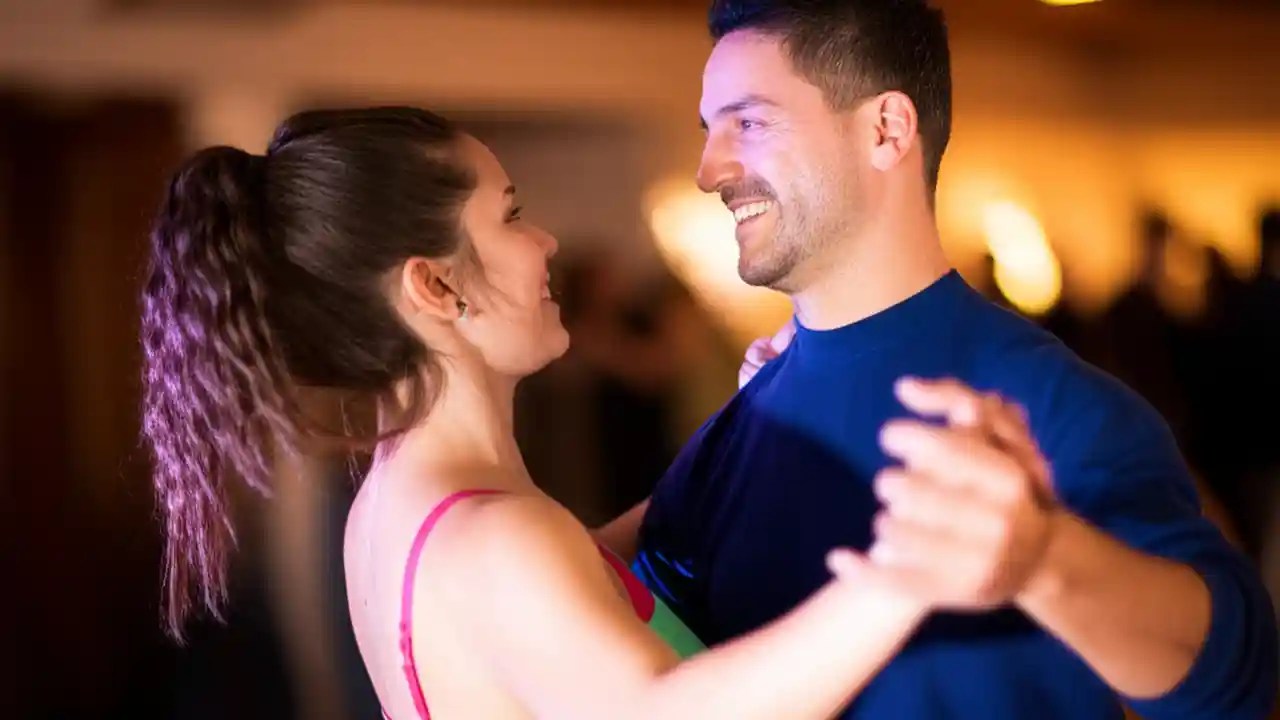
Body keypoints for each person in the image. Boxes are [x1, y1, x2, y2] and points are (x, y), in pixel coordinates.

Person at [140, 106, 938, 720]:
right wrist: (914, 568)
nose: (547, 241)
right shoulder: (496, 535)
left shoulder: (418, 503)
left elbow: (594, 573)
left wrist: (747, 426)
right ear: (436, 285)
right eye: (511, 215)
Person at [601, 1, 1279, 718]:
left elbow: (1239, 684)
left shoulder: (1039, 398)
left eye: (751, 123)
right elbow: (610, 620)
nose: (710, 170)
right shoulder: (744, 415)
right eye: (710, 130)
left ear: (887, 130)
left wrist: (1046, 558)